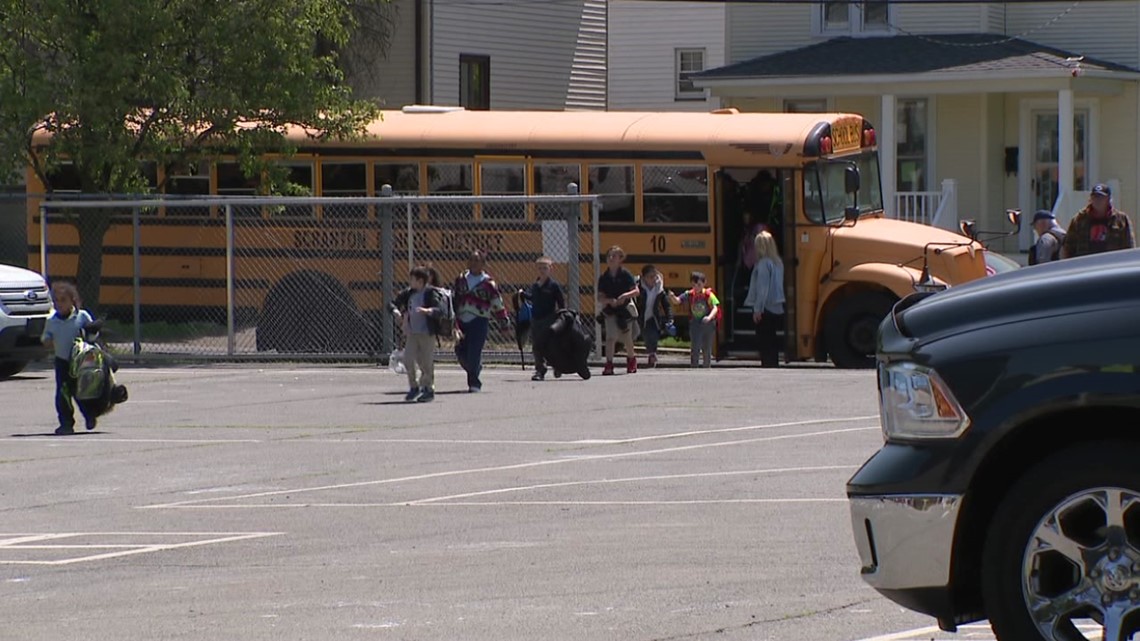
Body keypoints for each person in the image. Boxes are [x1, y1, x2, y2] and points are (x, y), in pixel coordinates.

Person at [41, 281, 97, 434]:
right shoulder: (52, 320)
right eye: (56, 301)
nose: (59, 304)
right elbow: (46, 337)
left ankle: (90, 414)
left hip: (81, 361)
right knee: (63, 392)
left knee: (82, 391)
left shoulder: (82, 316)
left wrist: (92, 332)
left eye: (63, 300)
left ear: (73, 300)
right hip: (63, 361)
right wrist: (47, 341)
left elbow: (92, 333)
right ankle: (66, 423)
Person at [452, 250, 509, 393]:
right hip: (461, 321)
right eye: (471, 259)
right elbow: (454, 299)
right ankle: (475, 367)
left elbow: (497, 303)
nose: (473, 263)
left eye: (477, 260)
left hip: (479, 321)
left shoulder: (488, 283)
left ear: (483, 264)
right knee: (460, 351)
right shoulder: (461, 279)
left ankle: (474, 383)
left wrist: (503, 321)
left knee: (474, 352)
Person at [395, 266, 445, 403]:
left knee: (426, 363)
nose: (410, 282)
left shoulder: (430, 293)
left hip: (426, 333)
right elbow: (394, 303)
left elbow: (440, 310)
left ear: (420, 281)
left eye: (412, 279)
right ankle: (414, 386)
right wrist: (396, 311)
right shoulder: (409, 293)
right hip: (413, 333)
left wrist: (428, 311)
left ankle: (428, 388)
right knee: (408, 359)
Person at [742, 231, 786, 368]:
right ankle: (773, 364)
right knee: (772, 340)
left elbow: (762, 289)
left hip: (765, 308)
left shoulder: (762, 264)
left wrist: (757, 309)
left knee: (764, 341)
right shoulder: (778, 262)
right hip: (777, 306)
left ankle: (767, 365)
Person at [520, 256, 565, 381]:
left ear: (550, 269)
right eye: (540, 268)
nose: (542, 271)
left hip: (549, 318)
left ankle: (557, 365)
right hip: (536, 319)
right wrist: (523, 294)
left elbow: (560, 301)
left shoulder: (553, 286)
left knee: (550, 344)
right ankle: (540, 369)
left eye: (545, 268)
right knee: (536, 345)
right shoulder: (535, 285)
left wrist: (561, 314)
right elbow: (532, 297)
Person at [597, 245, 639, 375]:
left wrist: (624, 296)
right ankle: (609, 364)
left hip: (624, 311)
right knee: (610, 337)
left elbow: (636, 291)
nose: (611, 258)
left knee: (627, 338)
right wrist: (609, 301)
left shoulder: (625, 274)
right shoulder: (604, 277)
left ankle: (631, 359)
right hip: (611, 311)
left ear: (620, 258)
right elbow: (600, 297)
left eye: (614, 256)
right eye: (609, 256)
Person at [1062, 183, 1135, 258]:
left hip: (1112, 262)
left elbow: (1129, 246)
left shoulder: (1121, 220)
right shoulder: (1079, 219)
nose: (1097, 200)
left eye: (1101, 197)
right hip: (1085, 262)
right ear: (1090, 199)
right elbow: (1068, 247)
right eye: (1095, 197)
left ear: (1108, 199)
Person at [668, 271, 720, 369]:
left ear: (704, 283)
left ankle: (706, 367)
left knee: (706, 347)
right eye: (694, 285)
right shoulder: (689, 294)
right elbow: (677, 301)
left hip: (708, 325)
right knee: (695, 347)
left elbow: (715, 308)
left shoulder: (708, 295)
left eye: (699, 285)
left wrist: (709, 317)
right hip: (695, 324)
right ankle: (694, 367)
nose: (696, 287)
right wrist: (672, 297)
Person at [635, 264, 674, 369]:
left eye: (655, 276)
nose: (653, 279)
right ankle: (634, 357)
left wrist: (670, 318)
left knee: (653, 334)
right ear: (644, 278)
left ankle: (652, 354)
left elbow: (666, 304)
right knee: (644, 335)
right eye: (650, 277)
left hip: (653, 316)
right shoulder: (638, 288)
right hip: (641, 315)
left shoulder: (659, 288)